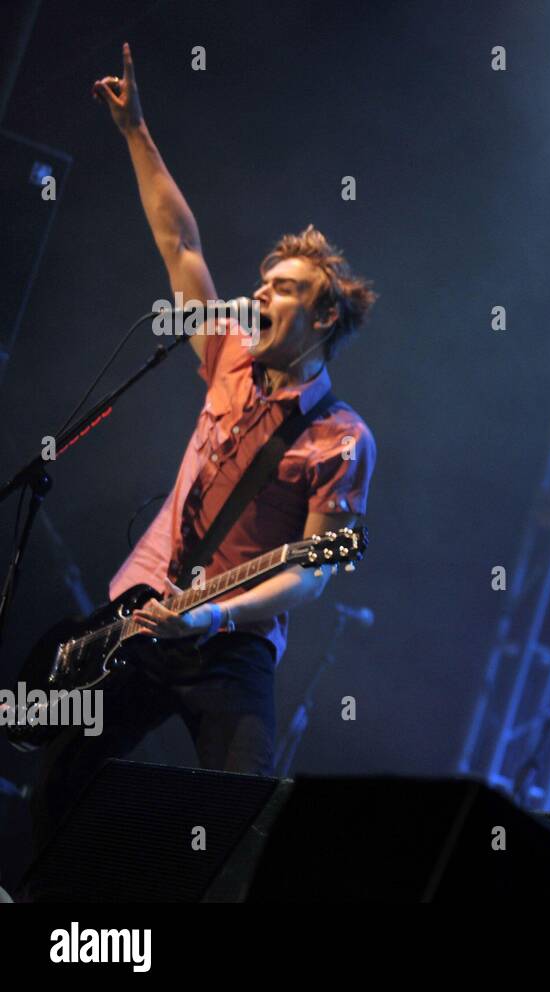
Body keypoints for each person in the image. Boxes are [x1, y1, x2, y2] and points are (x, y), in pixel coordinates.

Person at [29, 43, 377, 853]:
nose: (261, 294)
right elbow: (180, 246)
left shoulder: (342, 438)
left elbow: (311, 573)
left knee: (238, 816)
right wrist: (135, 131)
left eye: (284, 288)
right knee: (60, 781)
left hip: (232, 643)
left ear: (325, 317)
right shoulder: (227, 353)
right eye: (263, 282)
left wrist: (219, 611)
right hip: (145, 613)